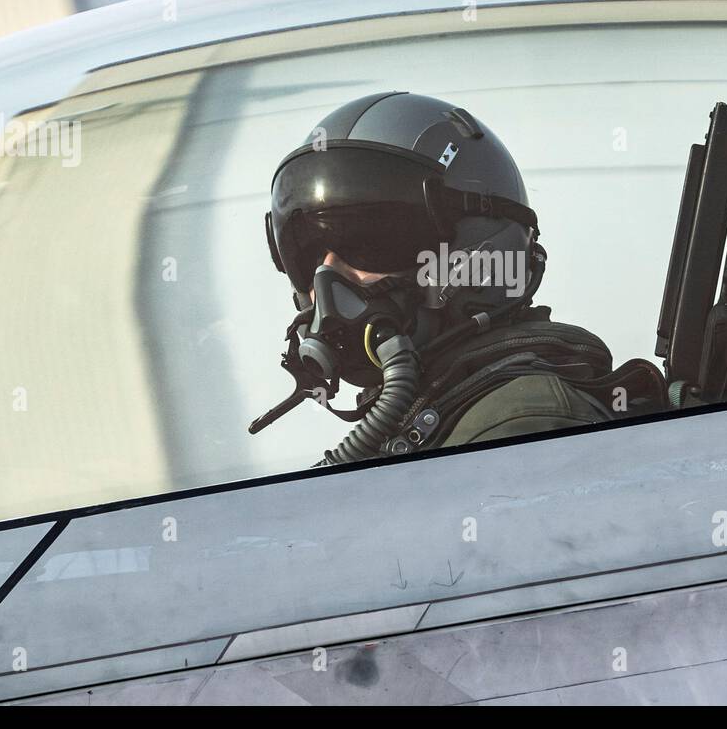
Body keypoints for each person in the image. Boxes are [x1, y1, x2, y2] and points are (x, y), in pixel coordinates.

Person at [257, 91, 665, 466]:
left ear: (476, 255)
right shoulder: (438, 419)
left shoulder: (520, 428)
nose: (327, 278)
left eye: (368, 243)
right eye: (307, 253)